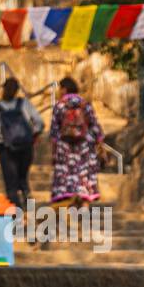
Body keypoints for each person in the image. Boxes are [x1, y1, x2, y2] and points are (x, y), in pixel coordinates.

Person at [0, 78, 44, 209]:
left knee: (10, 184)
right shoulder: (24, 104)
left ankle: (16, 212)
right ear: (17, 90)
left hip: (6, 149)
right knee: (22, 177)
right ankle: (27, 196)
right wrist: (32, 134)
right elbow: (39, 122)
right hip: (25, 147)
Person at [49, 77, 103, 206]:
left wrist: (54, 151)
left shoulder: (59, 106)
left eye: (60, 88)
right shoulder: (85, 104)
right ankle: (84, 200)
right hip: (84, 146)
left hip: (64, 146)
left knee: (65, 173)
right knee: (83, 172)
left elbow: (54, 131)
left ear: (65, 89)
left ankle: (66, 200)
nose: (59, 91)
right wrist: (99, 140)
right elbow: (95, 126)